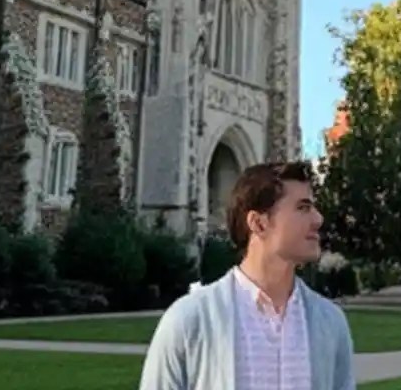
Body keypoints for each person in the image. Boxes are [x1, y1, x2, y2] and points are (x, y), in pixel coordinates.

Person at [139, 161, 356, 390]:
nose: (318, 219)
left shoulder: (330, 323)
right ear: (259, 223)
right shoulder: (189, 320)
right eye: (303, 208)